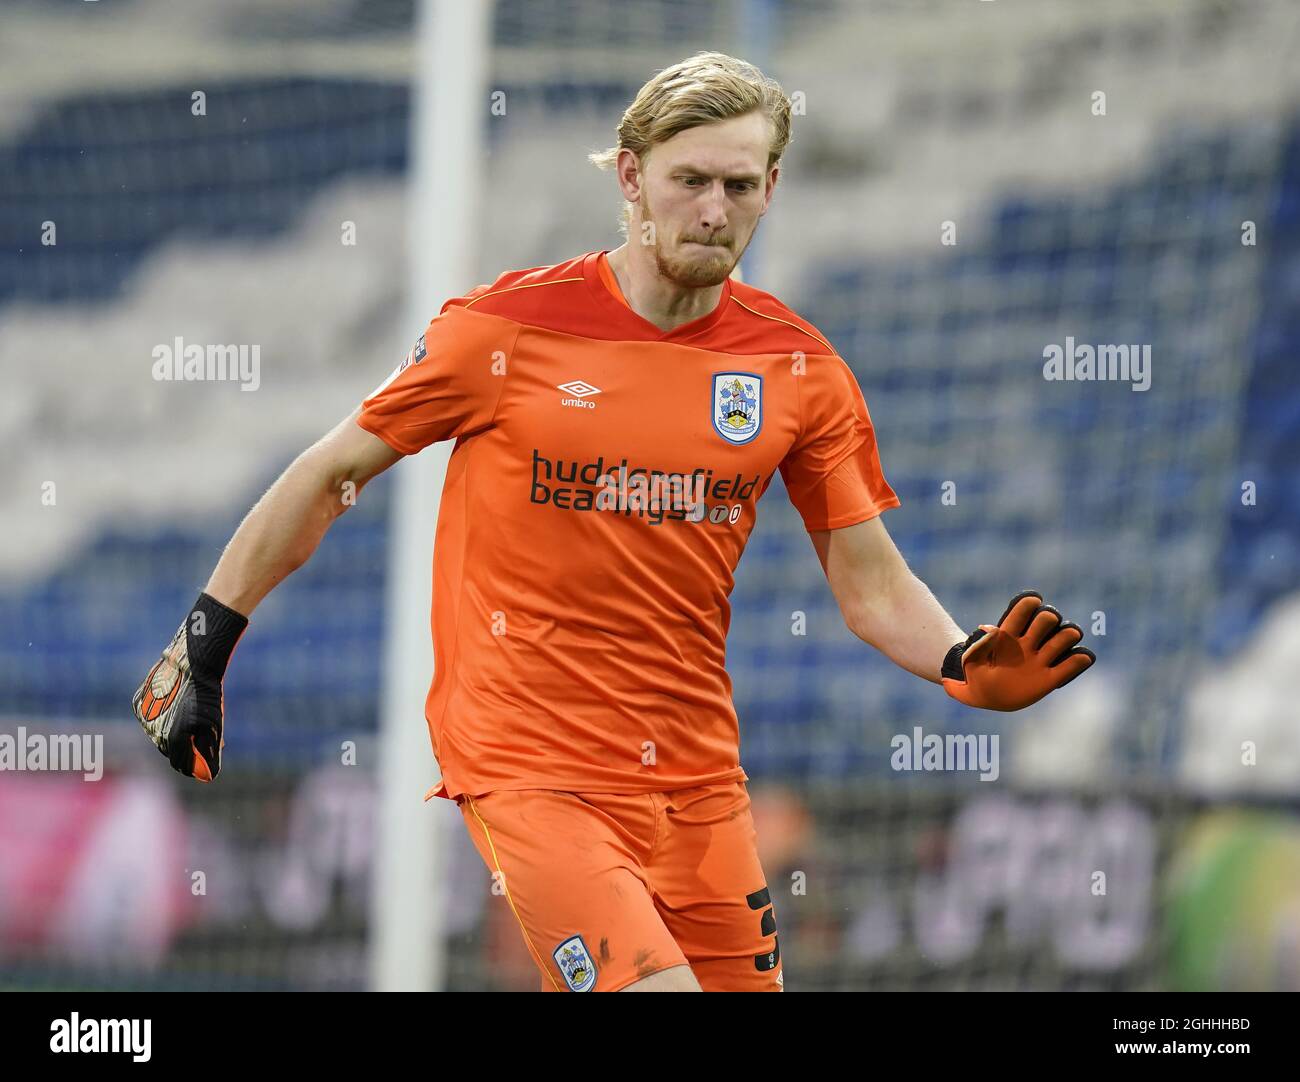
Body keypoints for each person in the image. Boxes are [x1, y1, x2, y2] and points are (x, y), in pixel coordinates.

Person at [132, 51, 1094, 992]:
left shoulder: (800, 374)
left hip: (697, 783)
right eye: (689, 181)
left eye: (741, 185)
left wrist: (962, 661)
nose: (715, 210)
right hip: (529, 767)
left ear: (772, 188)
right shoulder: (505, 330)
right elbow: (331, 471)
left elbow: (870, 579)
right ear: (631, 176)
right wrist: (205, 642)